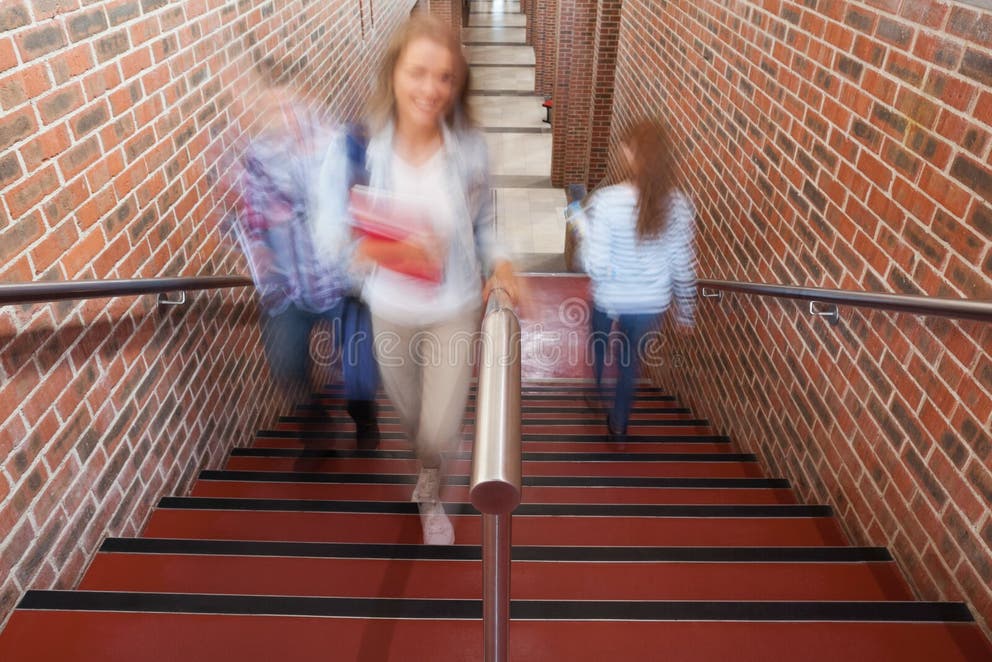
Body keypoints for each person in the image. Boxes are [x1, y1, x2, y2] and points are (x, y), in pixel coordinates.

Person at [317, 15, 518, 545]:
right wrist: (391, 248)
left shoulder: (470, 150)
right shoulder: (360, 149)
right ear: (394, 74)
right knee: (410, 419)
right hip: (389, 308)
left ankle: (432, 494)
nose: (432, 89)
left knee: (439, 426)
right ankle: (425, 475)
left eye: (445, 78)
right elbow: (331, 240)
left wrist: (500, 262)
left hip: (453, 306)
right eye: (419, 73)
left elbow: (483, 224)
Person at [232, 59, 381, 449]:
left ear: (305, 101)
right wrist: (259, 247)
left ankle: (364, 421)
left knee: (360, 374)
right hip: (290, 286)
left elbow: (363, 197)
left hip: (342, 281)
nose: (280, 117)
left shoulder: (336, 143)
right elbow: (251, 220)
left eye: (287, 106)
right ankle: (317, 424)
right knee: (286, 365)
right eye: (268, 109)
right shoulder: (256, 158)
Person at [568, 117, 697, 443]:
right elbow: (682, 263)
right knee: (629, 361)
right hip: (650, 302)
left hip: (610, 297)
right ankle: (619, 424)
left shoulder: (608, 201)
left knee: (599, 344)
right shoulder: (680, 206)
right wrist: (685, 311)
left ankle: (596, 390)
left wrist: (581, 227)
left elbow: (594, 264)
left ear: (631, 154)